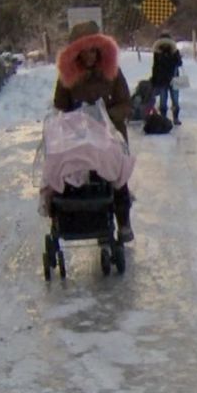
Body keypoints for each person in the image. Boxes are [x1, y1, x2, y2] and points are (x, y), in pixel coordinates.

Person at [51, 21, 136, 242]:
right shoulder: (67, 79)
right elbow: (60, 106)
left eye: (93, 50)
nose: (89, 55)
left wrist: (106, 118)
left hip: (110, 137)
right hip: (78, 139)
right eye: (84, 51)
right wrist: (72, 120)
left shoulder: (112, 74)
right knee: (70, 173)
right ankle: (76, 219)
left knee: (116, 177)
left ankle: (123, 221)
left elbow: (125, 103)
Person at [150, 32, 184, 125]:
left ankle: (169, 118)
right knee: (169, 101)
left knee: (166, 100)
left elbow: (179, 63)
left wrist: (154, 80)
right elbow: (156, 67)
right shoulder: (158, 53)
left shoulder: (172, 52)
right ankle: (168, 118)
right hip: (169, 79)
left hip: (165, 80)